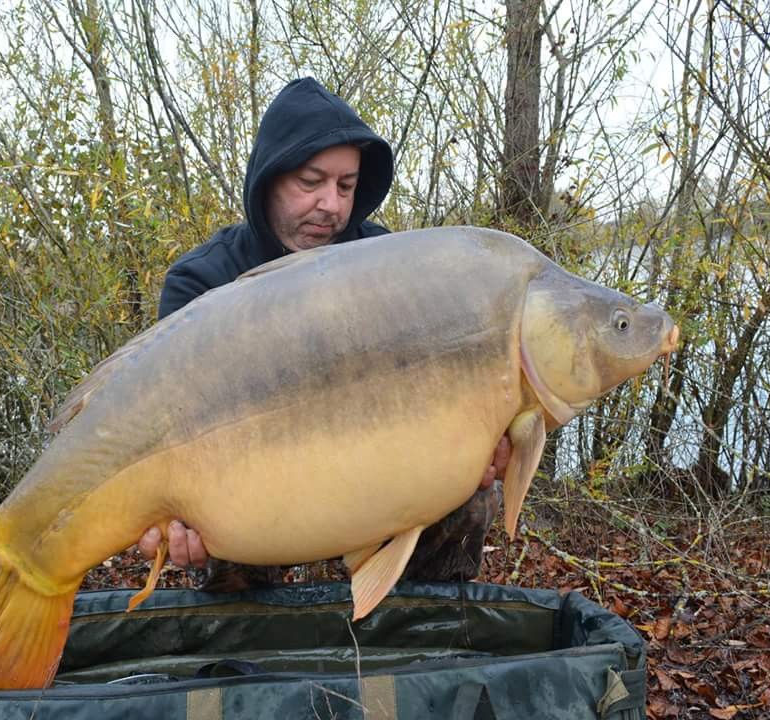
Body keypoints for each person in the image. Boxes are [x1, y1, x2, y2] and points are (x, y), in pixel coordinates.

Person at [139, 77, 508, 591]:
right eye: (310, 182)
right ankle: (253, 635)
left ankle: (414, 623)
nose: (331, 205)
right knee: (209, 535)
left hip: (369, 469)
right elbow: (165, 427)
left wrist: (473, 446)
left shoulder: (386, 264)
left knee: (472, 495)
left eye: (346, 186)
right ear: (268, 180)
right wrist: (169, 513)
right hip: (254, 479)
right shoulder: (202, 281)